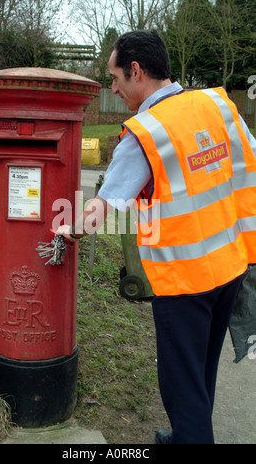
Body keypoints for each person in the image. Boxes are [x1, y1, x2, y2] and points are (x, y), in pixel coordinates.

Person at [56, 30, 256, 444]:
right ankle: (185, 434)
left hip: (184, 281)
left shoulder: (145, 134)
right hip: (230, 265)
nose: (112, 88)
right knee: (200, 370)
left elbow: (103, 210)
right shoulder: (217, 104)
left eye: (114, 78)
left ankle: (190, 435)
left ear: (136, 70)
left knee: (180, 383)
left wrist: (68, 229)